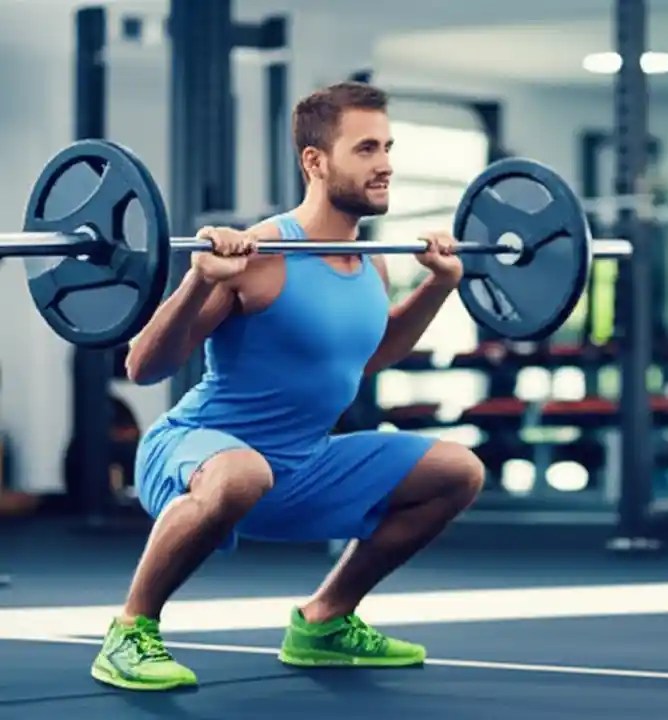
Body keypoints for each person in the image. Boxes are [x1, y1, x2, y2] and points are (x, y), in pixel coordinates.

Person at [90, 81, 486, 692]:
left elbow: (364, 359)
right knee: (242, 473)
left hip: (299, 467)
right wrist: (200, 281)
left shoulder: (373, 262)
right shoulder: (264, 253)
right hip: (196, 452)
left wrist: (439, 286)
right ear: (315, 161)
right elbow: (143, 366)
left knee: (458, 471)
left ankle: (325, 622)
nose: (385, 164)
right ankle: (129, 631)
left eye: (387, 148)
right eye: (366, 149)